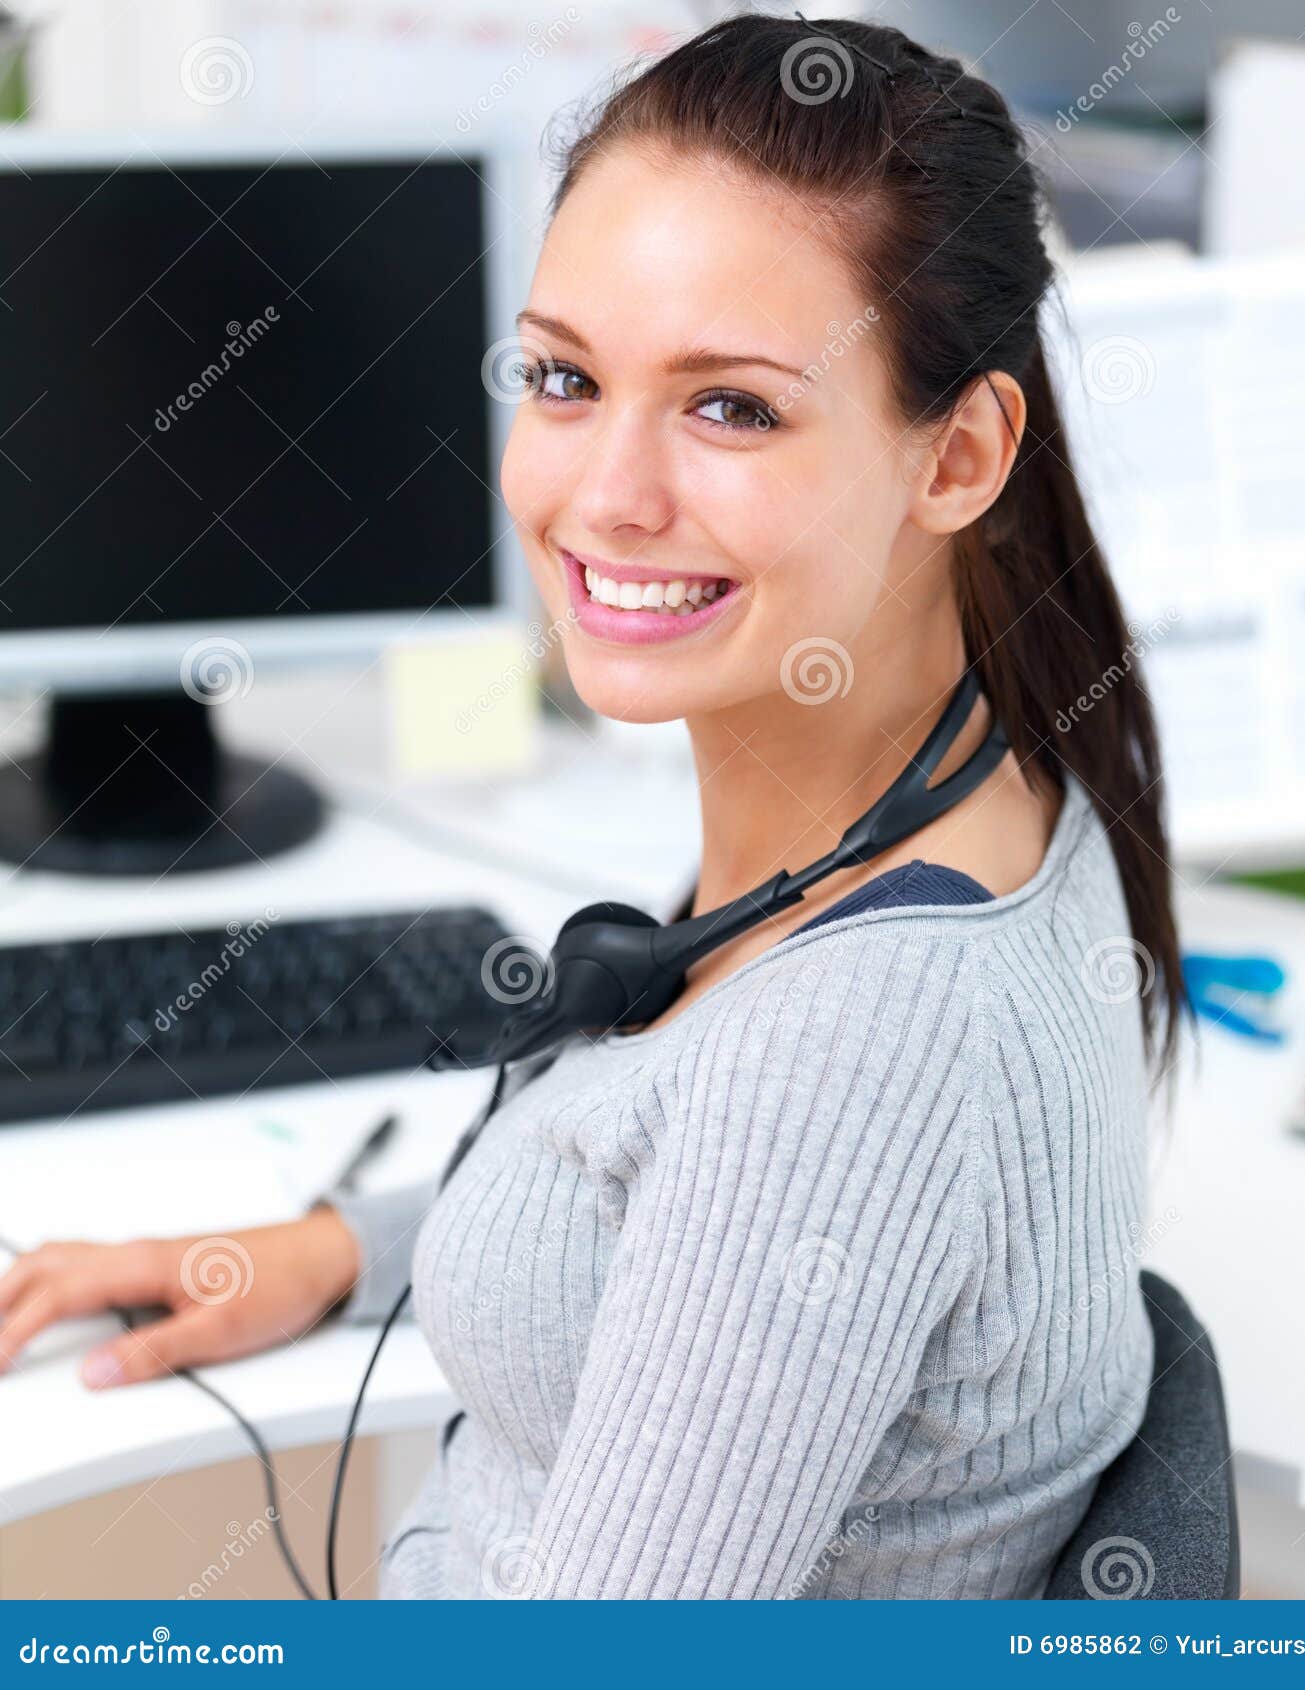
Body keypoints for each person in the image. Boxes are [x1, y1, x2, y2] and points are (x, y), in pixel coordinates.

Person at [0, 13, 1186, 1599]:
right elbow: (674, 1217)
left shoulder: (838, 1059)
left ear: (958, 454)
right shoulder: (976, 781)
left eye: (733, 407)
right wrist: (346, 1249)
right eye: (565, 376)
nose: (602, 494)